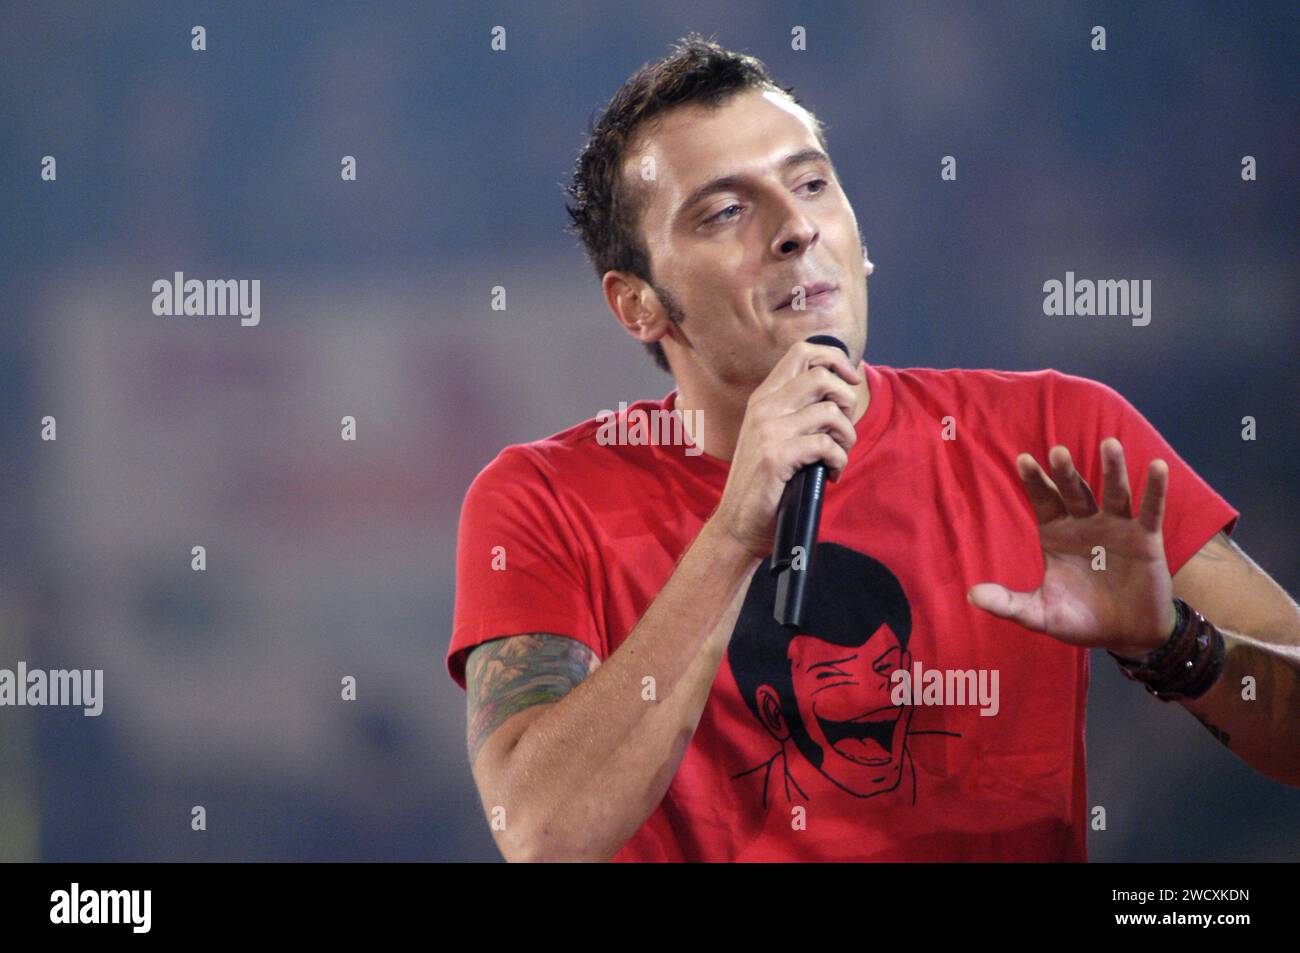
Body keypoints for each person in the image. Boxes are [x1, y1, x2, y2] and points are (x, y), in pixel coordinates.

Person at [446, 34, 1299, 861]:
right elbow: (541, 829)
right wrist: (733, 536)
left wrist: (1175, 646)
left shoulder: (1057, 439)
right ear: (637, 305)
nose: (795, 229)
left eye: (812, 183)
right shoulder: (542, 499)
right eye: (726, 211)